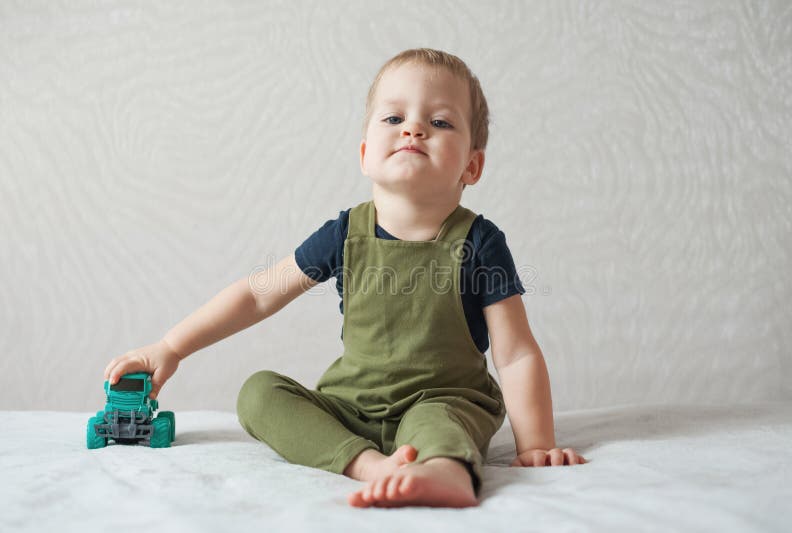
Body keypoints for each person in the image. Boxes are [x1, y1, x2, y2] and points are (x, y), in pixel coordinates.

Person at [103, 48, 587, 509]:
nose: (413, 129)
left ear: (472, 165)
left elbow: (516, 351)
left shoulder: (479, 242)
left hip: (441, 400)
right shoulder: (344, 234)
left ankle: (444, 472)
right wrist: (171, 347)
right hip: (351, 406)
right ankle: (369, 465)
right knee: (259, 392)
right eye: (394, 118)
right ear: (365, 154)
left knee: (439, 423)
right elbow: (257, 295)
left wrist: (537, 444)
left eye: (439, 122)